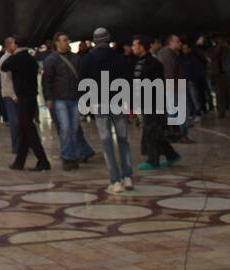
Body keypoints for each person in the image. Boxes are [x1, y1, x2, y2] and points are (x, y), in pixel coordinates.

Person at [79, 27, 133, 194]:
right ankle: (127, 177)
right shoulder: (119, 57)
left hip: (99, 103)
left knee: (106, 141)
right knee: (123, 139)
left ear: (95, 41)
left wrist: (85, 104)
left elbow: (83, 82)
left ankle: (115, 181)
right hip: (118, 102)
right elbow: (128, 80)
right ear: (109, 39)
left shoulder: (88, 59)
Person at [0, 37, 51, 171]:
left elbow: (4, 66)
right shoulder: (31, 59)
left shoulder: (18, 58)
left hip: (23, 98)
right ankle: (19, 162)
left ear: (16, 45)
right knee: (24, 129)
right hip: (32, 97)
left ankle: (43, 161)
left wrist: (12, 53)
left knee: (29, 129)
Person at [42, 33, 94, 169]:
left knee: (74, 128)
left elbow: (83, 78)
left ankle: (74, 155)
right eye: (64, 40)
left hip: (75, 97)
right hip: (60, 99)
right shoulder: (51, 60)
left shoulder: (76, 58)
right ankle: (67, 157)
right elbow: (46, 81)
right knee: (65, 128)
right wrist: (48, 98)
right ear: (57, 43)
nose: (67, 42)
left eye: (67, 40)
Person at [131, 36, 179, 170]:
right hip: (143, 102)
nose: (133, 47)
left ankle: (153, 160)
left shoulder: (153, 64)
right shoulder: (138, 62)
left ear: (141, 46)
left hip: (152, 103)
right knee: (154, 132)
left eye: (135, 45)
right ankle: (171, 155)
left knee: (150, 131)